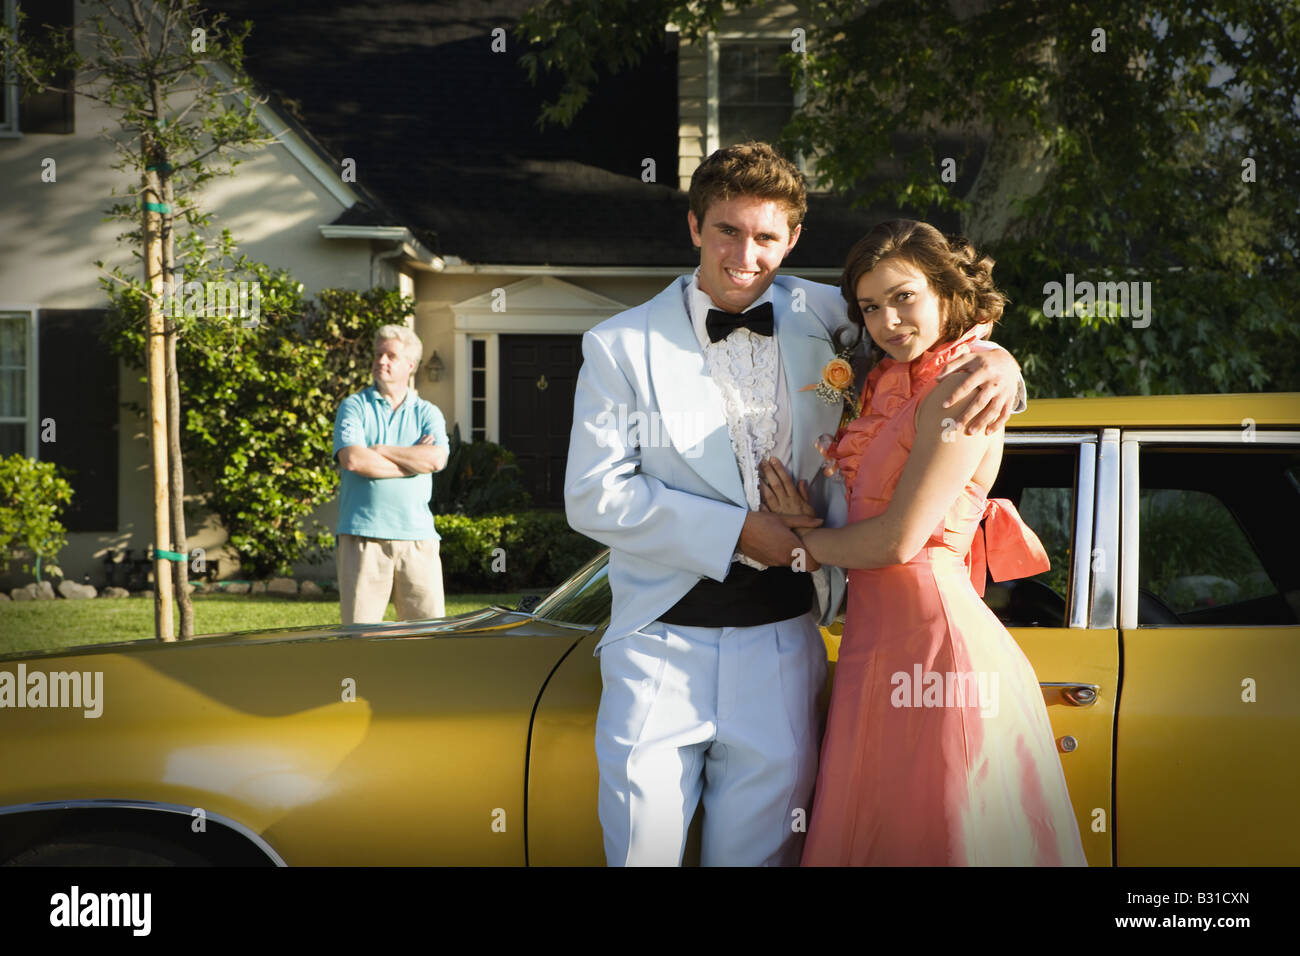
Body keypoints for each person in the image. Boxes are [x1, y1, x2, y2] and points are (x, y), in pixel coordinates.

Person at [564, 143, 1026, 866]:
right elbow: (595, 496)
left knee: (761, 857)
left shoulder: (834, 314)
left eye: (767, 237)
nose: (745, 254)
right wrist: (742, 531)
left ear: (793, 241)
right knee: (640, 853)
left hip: (784, 636)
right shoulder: (620, 345)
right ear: (694, 228)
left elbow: (928, 335)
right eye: (727, 230)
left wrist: (1000, 361)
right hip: (662, 638)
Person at [760, 219, 1088, 865]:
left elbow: (898, 541)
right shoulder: (888, 383)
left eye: (904, 296)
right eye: (872, 307)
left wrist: (797, 544)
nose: (889, 320)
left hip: (938, 649)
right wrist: (809, 529)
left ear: (944, 290)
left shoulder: (962, 386)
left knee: (938, 840)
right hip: (874, 646)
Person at [334, 325, 450, 625]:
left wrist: (381, 449)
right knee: (359, 639)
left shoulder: (428, 413)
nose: (381, 361)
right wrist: (412, 462)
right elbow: (354, 460)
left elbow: (436, 459)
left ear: (410, 366)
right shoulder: (354, 406)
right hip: (363, 537)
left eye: (390, 355)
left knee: (427, 638)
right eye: (378, 354)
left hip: (418, 540)